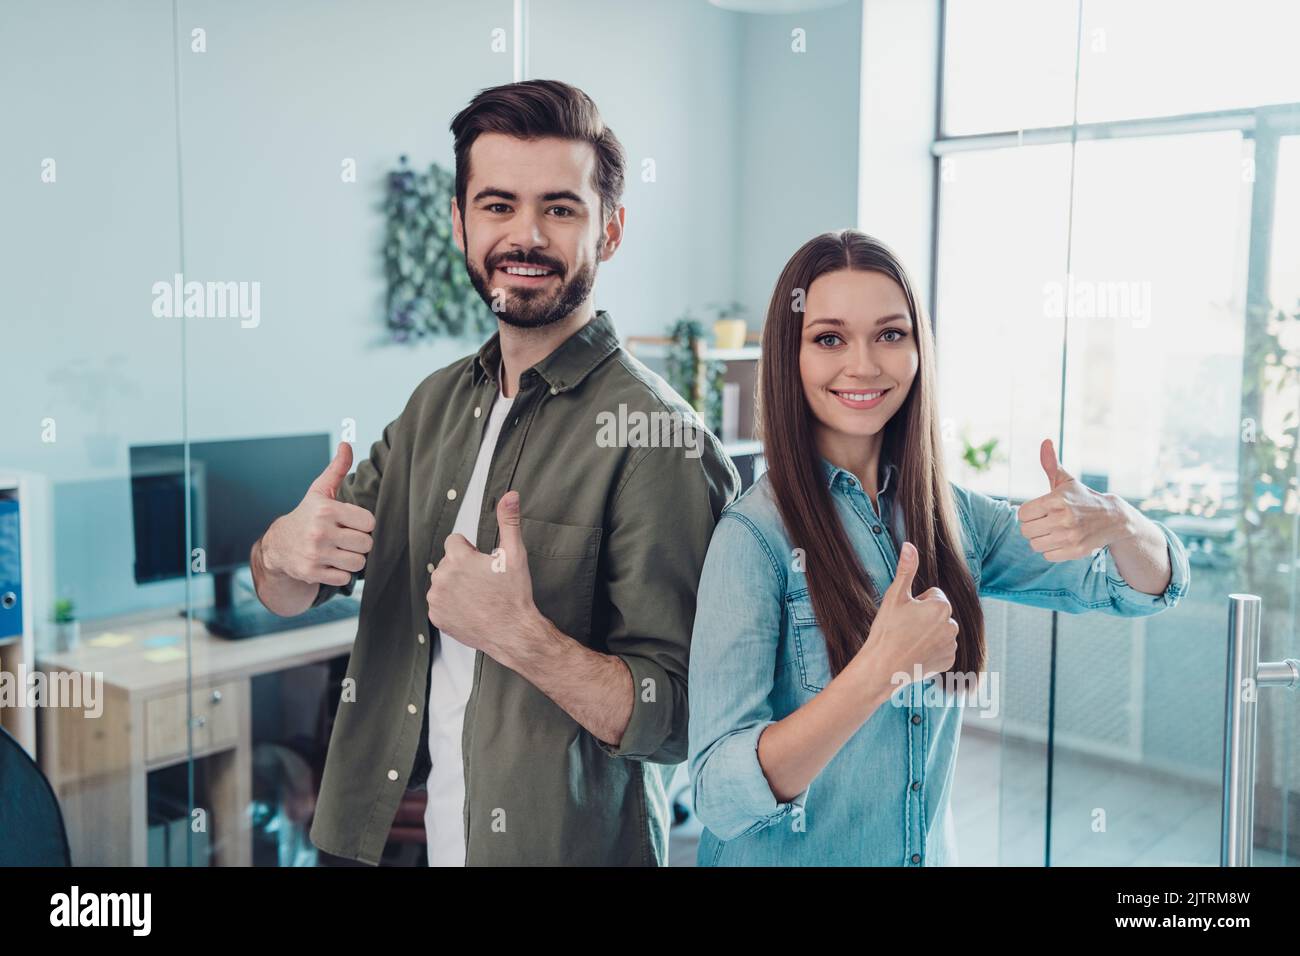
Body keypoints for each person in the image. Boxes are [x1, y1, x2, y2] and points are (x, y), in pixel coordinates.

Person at [251, 79, 739, 866]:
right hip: (380, 839)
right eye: (499, 205)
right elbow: (288, 592)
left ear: (609, 232)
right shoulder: (432, 407)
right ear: (460, 223)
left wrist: (523, 638)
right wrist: (280, 552)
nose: (527, 236)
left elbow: (684, 719)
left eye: (560, 208)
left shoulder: (661, 440)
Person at [687, 229, 1190, 866]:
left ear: (920, 350)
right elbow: (717, 796)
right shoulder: (754, 538)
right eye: (829, 338)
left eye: (891, 335)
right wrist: (874, 673)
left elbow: (1142, 589)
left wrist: (1118, 521)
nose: (864, 364)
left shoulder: (954, 517)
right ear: (790, 356)